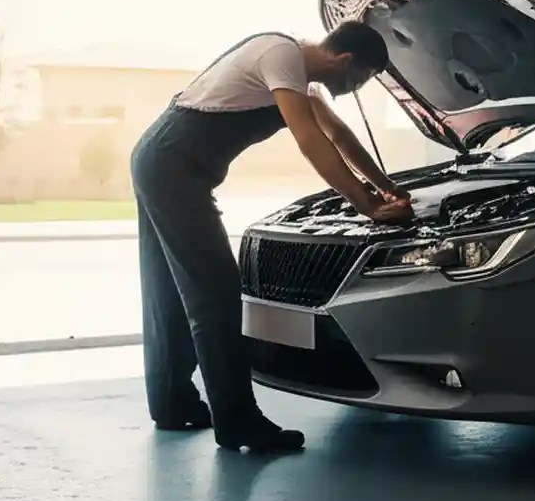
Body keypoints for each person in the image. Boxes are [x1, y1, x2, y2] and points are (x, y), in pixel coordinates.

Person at [129, 22, 413, 452]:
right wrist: (367, 207)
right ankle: (238, 421)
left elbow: (341, 137)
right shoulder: (280, 55)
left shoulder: (299, 78)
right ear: (346, 61)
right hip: (171, 169)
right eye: (362, 79)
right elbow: (311, 140)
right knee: (217, 297)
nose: (356, 88)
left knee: (167, 292)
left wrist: (386, 187)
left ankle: (173, 404)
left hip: (158, 160)